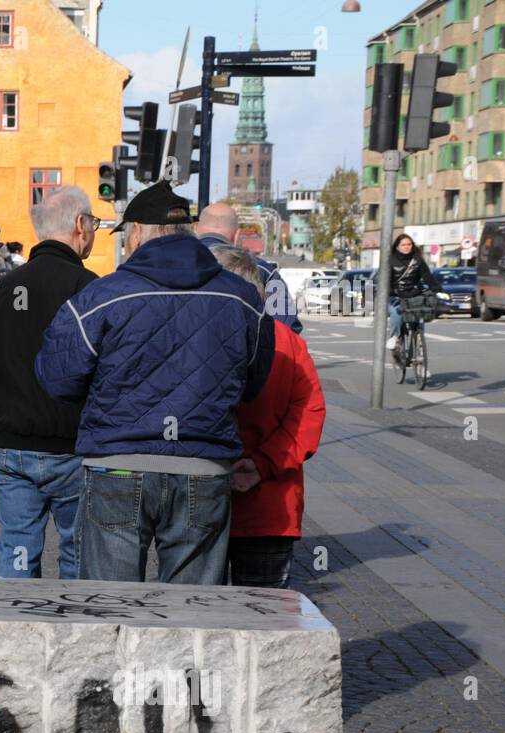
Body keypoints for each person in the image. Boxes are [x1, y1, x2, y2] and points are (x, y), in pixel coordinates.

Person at [36, 181, 275, 585]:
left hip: (117, 463)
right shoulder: (242, 298)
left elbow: (57, 377)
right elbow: (254, 380)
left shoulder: (101, 296)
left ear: (136, 233)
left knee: (110, 604)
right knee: (192, 608)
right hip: (204, 465)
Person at [0, 186, 99, 579]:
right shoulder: (90, 289)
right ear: (80, 224)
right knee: (78, 553)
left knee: (17, 549)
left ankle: (15, 612)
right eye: (93, 222)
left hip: (11, 442)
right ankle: (76, 616)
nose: (93, 229)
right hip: (71, 444)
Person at [209, 245, 327, 588]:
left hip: (204, 500)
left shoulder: (196, 342)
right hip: (271, 503)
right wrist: (263, 465)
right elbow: (308, 415)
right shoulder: (288, 343)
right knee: (264, 610)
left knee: (197, 609)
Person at [195, 202, 303, 335]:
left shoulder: (175, 262)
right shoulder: (264, 271)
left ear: (195, 228)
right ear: (237, 235)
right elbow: (286, 330)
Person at [385, 233, 441, 349]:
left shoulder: (417, 259)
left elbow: (427, 276)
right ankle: (394, 336)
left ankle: (419, 336)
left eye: (409, 244)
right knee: (396, 311)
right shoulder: (390, 261)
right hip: (396, 295)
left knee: (420, 311)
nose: (406, 247)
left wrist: (436, 288)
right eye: (403, 245)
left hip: (414, 294)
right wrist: (391, 292)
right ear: (397, 247)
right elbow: (386, 280)